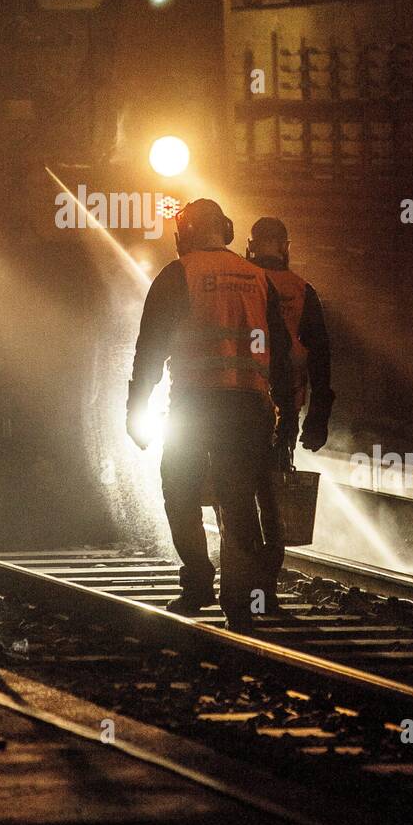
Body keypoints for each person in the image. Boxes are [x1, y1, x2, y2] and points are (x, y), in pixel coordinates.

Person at [126, 198, 292, 631]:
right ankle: (241, 600)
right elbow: (280, 352)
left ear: (185, 233)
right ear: (228, 230)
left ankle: (198, 582)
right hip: (249, 408)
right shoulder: (258, 278)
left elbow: (150, 349)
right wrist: (286, 413)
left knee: (179, 490)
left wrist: (136, 406)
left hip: (195, 406)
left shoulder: (177, 275)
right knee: (238, 499)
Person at [245, 217, 334, 465]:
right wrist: (318, 418)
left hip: (238, 394)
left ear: (251, 245)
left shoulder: (240, 284)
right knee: (275, 479)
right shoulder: (303, 290)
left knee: (233, 481)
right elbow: (320, 357)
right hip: (286, 402)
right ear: (286, 246)